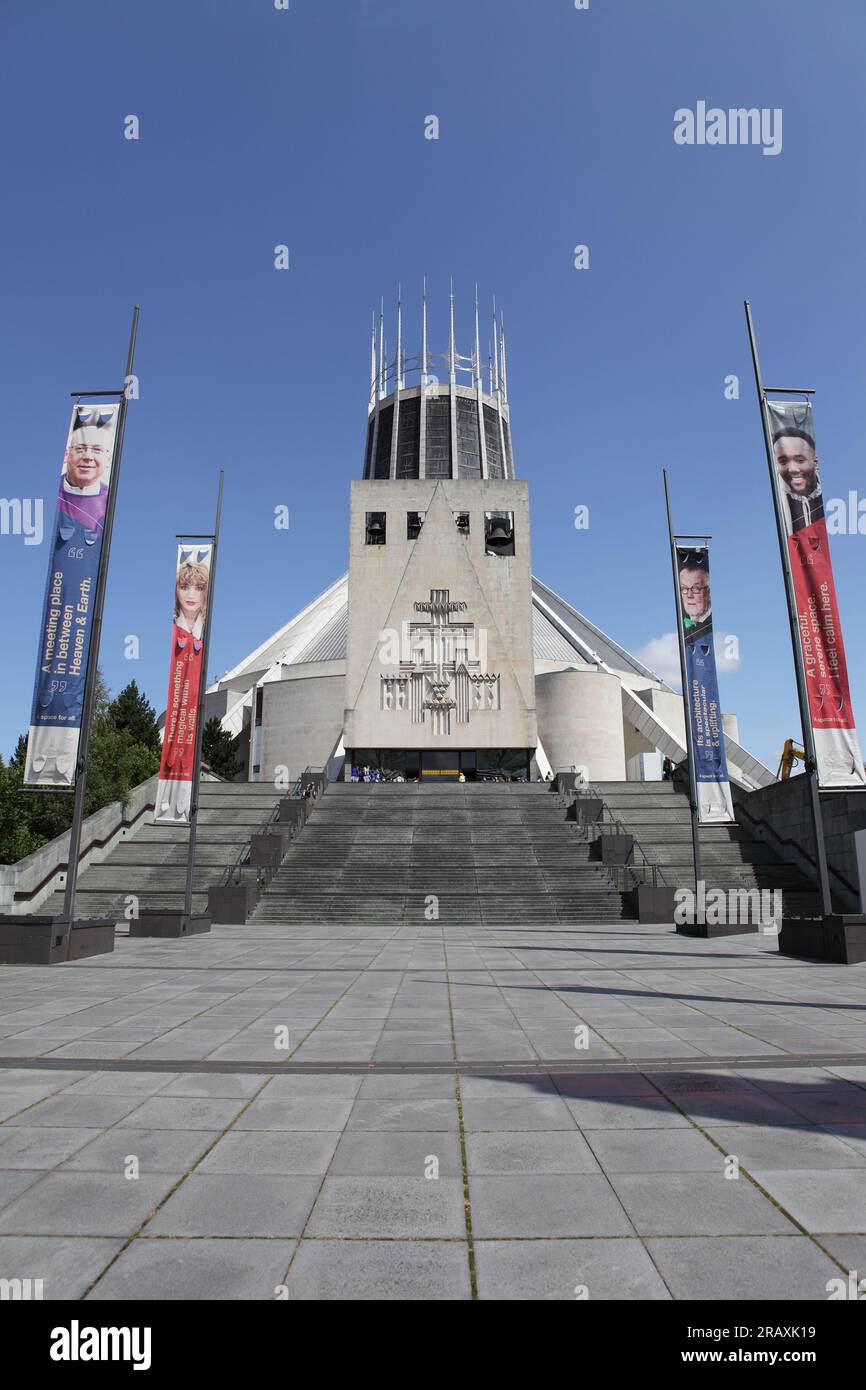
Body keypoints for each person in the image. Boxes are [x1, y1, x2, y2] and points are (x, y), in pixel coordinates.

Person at [156, 555, 210, 821]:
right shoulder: (177, 633)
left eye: (199, 588)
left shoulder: (200, 633)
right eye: (184, 586)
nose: (191, 594)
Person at [772, 427, 824, 532]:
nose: (792, 469)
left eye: (800, 460)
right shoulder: (781, 501)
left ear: (815, 462)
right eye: (783, 462)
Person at [678, 554, 712, 643]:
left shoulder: (711, 625)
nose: (689, 595)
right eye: (684, 589)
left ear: (708, 593)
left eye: (695, 589)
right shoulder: (683, 625)